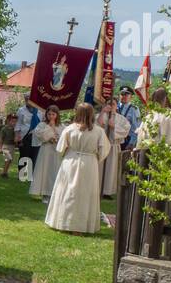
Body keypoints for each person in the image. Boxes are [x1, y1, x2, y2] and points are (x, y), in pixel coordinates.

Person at [45, 103, 110, 234]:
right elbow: (104, 151)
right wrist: (94, 156)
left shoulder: (69, 129)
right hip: (89, 163)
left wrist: (69, 153)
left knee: (67, 191)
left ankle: (63, 223)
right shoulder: (99, 131)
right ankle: (80, 227)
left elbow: (60, 149)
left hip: (71, 161)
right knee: (85, 194)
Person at [28, 106, 65, 201]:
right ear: (46, 114)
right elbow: (40, 135)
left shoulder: (62, 126)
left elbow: (63, 137)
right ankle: (45, 193)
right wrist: (49, 129)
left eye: (53, 114)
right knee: (45, 171)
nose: (51, 116)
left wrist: (56, 136)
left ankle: (54, 194)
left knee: (54, 171)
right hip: (46, 150)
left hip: (56, 152)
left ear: (57, 115)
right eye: (49, 114)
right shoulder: (42, 125)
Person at [97, 99, 132, 198]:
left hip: (113, 146)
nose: (111, 106)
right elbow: (96, 126)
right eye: (109, 104)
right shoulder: (100, 116)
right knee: (100, 168)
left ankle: (107, 191)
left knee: (110, 169)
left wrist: (114, 127)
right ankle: (98, 189)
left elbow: (125, 130)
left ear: (116, 106)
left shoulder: (121, 119)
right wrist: (103, 113)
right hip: (102, 146)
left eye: (113, 104)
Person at [15, 97, 42, 170]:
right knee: (24, 155)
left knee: (34, 156)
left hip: (37, 136)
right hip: (25, 136)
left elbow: (43, 123)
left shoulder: (40, 110)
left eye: (29, 99)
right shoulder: (21, 110)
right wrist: (17, 136)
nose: (27, 101)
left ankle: (31, 174)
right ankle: (21, 174)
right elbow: (18, 124)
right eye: (26, 99)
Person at [0, 112, 18, 178]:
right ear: (8, 121)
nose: (14, 123)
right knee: (8, 159)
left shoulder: (15, 129)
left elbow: (16, 139)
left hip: (12, 146)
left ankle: (5, 172)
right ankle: (3, 173)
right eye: (12, 121)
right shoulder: (4, 129)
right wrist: (0, 148)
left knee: (10, 160)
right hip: (5, 146)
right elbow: (0, 139)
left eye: (15, 121)